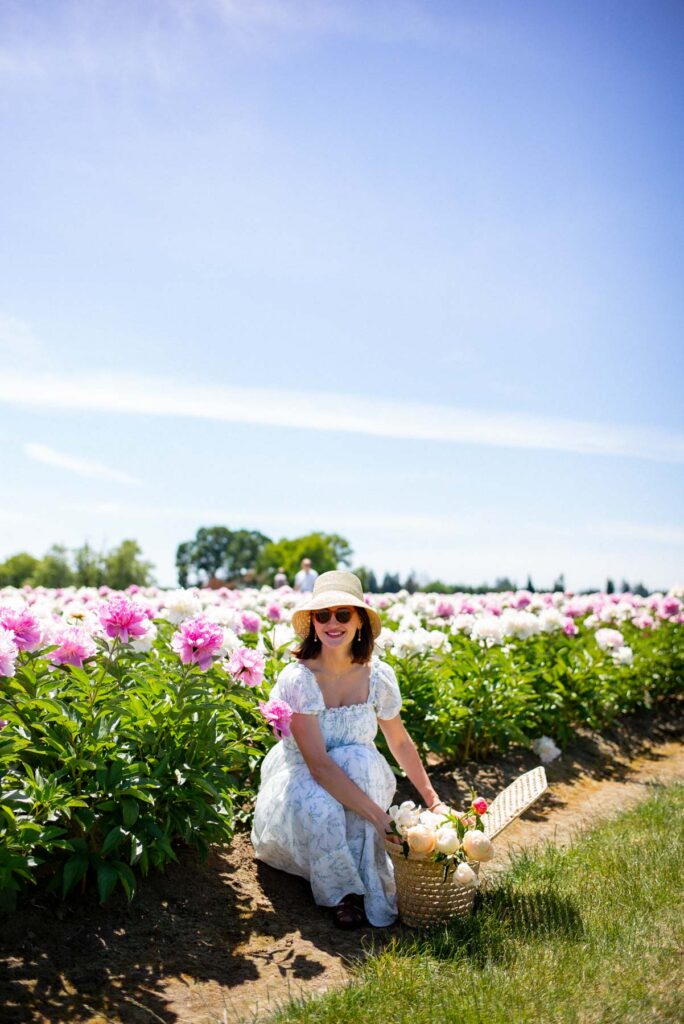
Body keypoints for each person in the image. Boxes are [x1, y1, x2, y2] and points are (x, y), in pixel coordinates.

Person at [251, 571, 448, 929]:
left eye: (343, 614)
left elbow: (399, 741)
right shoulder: (299, 680)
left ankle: (365, 876)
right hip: (305, 780)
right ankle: (344, 892)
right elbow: (320, 766)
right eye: (323, 614)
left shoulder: (377, 676)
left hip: (358, 777)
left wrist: (433, 800)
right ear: (312, 622)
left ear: (360, 622)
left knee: (358, 758)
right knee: (326, 806)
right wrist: (379, 816)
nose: (332, 622)